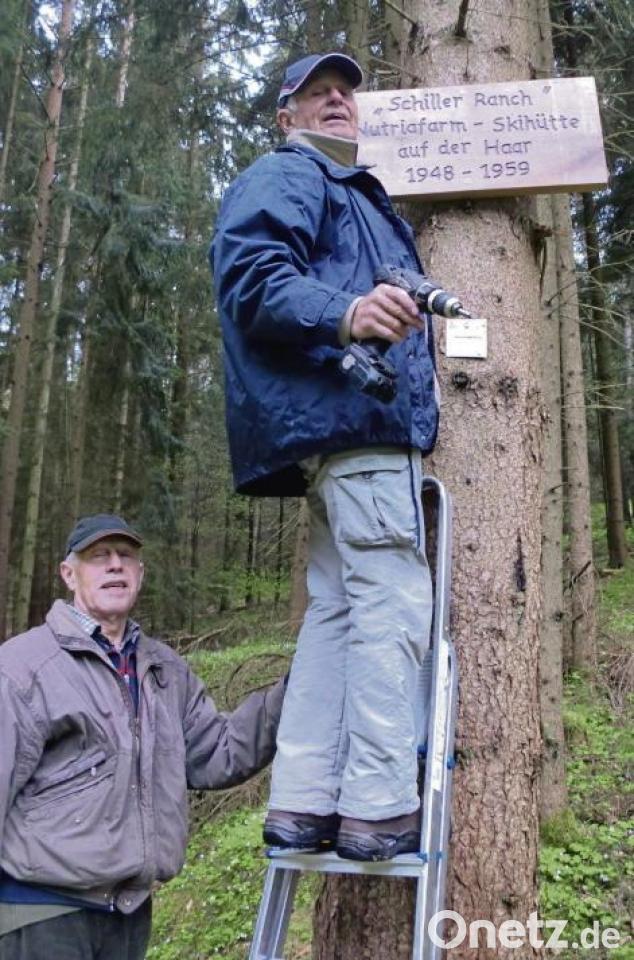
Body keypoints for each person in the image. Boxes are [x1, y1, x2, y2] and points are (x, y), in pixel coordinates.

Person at [211, 52, 438, 862]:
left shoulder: (347, 192)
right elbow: (251, 278)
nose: (338, 100)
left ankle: (304, 803)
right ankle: (378, 804)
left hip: (335, 435)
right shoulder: (290, 174)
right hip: (357, 425)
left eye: (346, 92)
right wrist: (346, 313)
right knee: (392, 605)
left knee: (338, 613)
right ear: (289, 116)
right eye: (318, 93)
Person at [0, 514, 285, 960]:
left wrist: (295, 693)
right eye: (99, 556)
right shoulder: (23, 667)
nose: (115, 565)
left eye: (126, 556)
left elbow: (219, 753)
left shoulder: (164, 669)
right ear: (68, 573)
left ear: (140, 574)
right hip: (42, 915)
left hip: (129, 916)